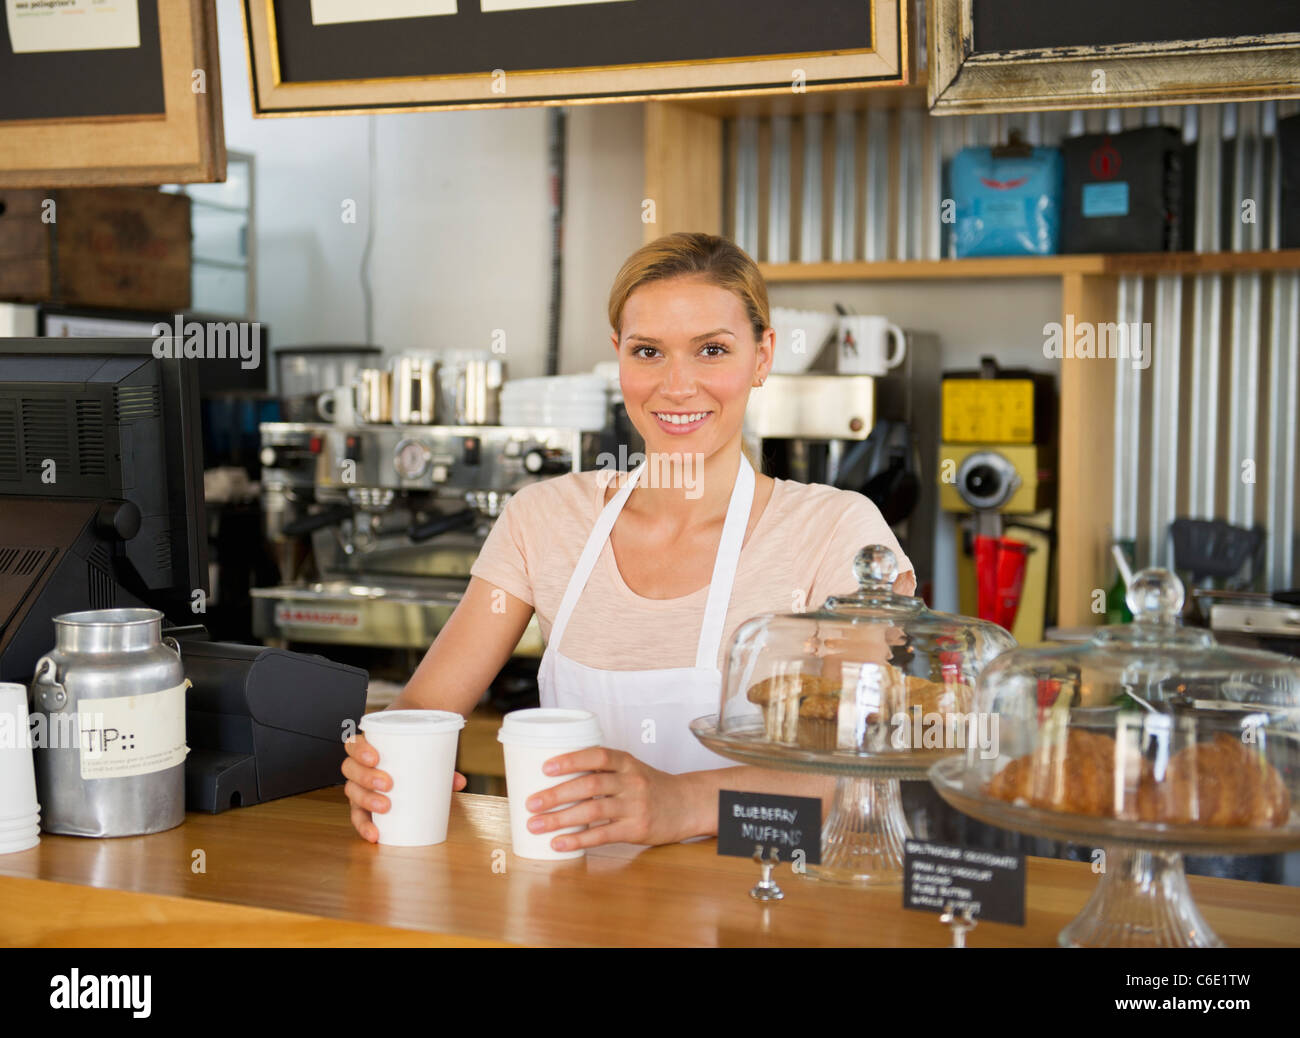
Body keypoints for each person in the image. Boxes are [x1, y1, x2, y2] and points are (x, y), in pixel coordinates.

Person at [343, 231, 914, 851]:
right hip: (575, 907)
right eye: (648, 352)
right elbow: (421, 712)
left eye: (712, 350)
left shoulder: (837, 533)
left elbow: (858, 771)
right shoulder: (545, 517)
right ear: (618, 355)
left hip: (763, 914)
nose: (676, 385)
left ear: (762, 356)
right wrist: (379, 768)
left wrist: (678, 802)